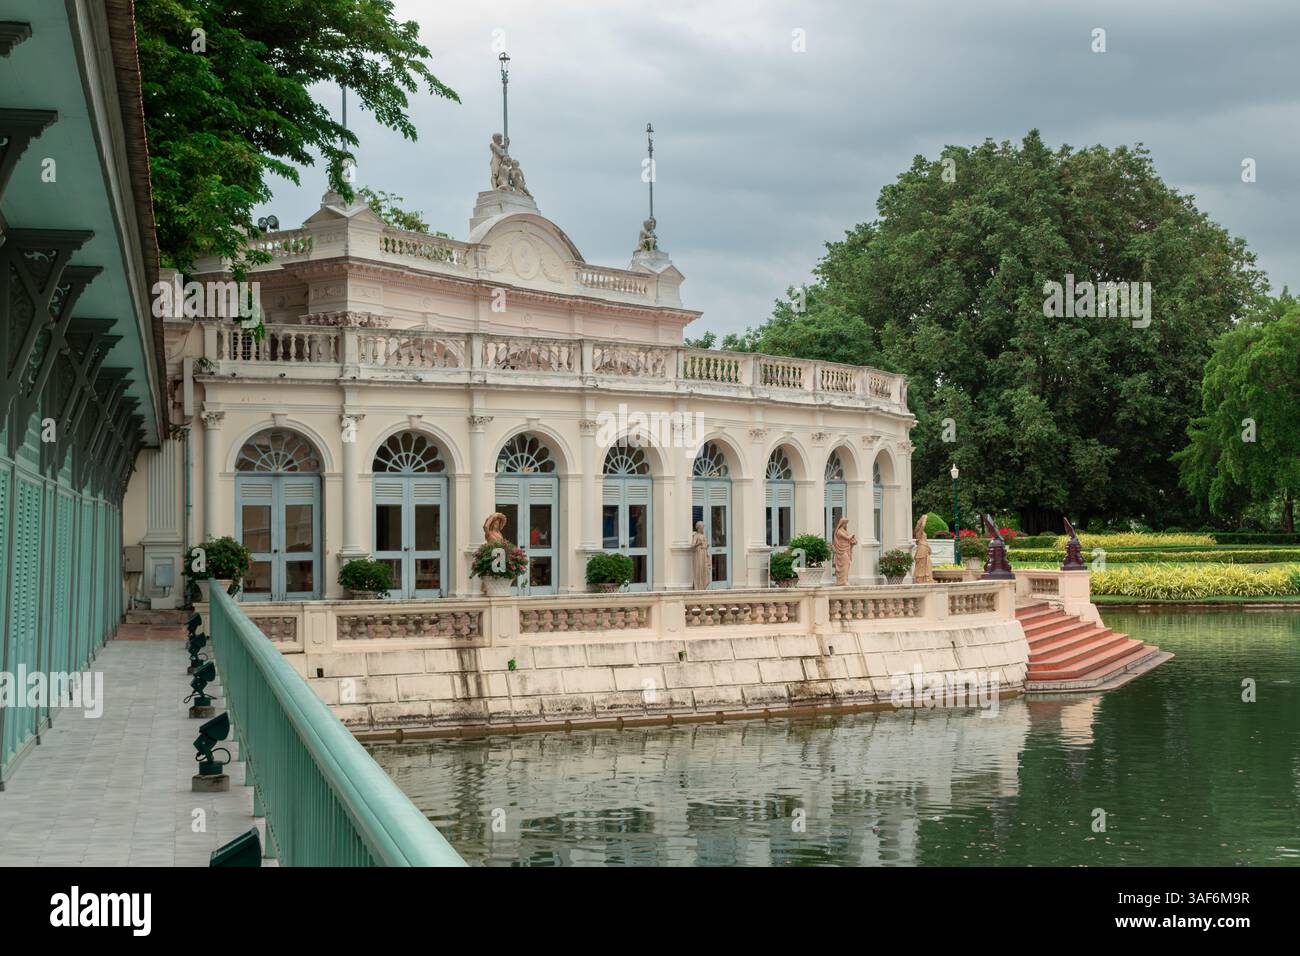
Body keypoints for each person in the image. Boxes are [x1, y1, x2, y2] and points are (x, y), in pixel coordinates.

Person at [832, 517, 857, 585]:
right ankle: (842, 581)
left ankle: (845, 580)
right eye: (845, 523)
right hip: (841, 551)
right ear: (842, 523)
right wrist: (851, 536)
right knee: (844, 564)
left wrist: (853, 541)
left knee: (847, 564)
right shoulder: (839, 531)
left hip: (846, 549)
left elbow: (849, 539)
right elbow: (847, 537)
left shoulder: (845, 531)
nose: (846, 525)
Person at [912, 515, 933, 584]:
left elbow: (925, 540)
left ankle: (926, 578)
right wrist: (924, 519)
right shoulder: (918, 532)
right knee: (922, 563)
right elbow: (923, 526)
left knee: (927, 563)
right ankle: (921, 578)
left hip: (925, 547)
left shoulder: (921, 533)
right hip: (922, 548)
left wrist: (929, 547)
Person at [691, 520, 711, 590]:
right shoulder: (696, 536)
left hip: (704, 554)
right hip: (699, 555)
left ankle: (703, 585)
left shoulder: (703, 535)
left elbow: (705, 545)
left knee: (704, 569)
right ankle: (699, 586)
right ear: (699, 527)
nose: (703, 528)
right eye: (702, 527)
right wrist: (699, 544)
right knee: (699, 569)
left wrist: (706, 546)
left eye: (703, 527)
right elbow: (692, 546)